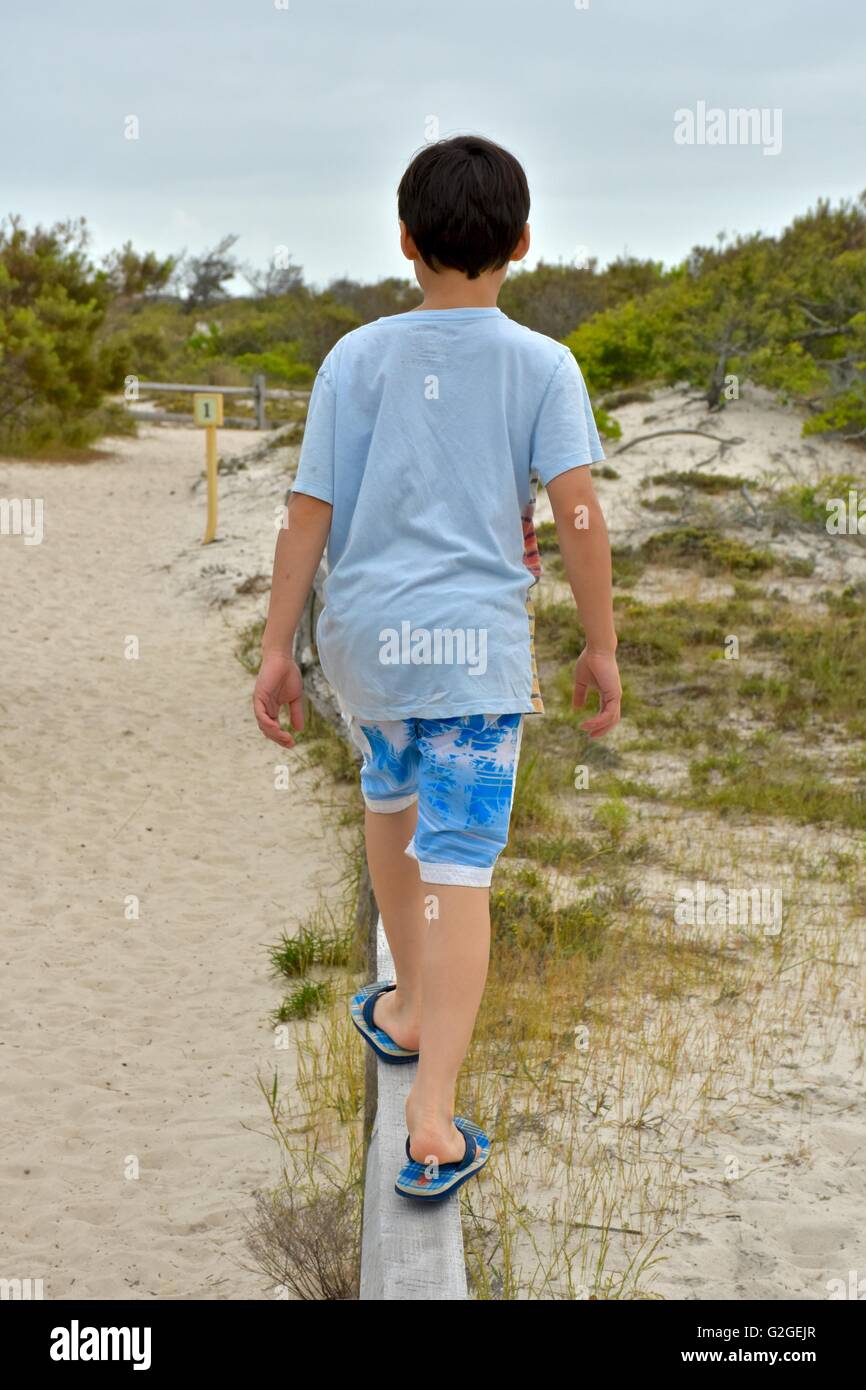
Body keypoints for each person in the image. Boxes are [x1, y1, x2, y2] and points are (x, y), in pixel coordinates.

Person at [253, 134, 622, 1201]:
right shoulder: (542, 365)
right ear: (521, 243)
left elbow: (306, 513)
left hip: (366, 641)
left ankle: (406, 1005)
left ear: (404, 242)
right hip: (472, 650)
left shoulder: (352, 358)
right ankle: (431, 1112)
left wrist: (278, 646)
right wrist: (598, 643)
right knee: (458, 861)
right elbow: (579, 515)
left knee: (387, 792)